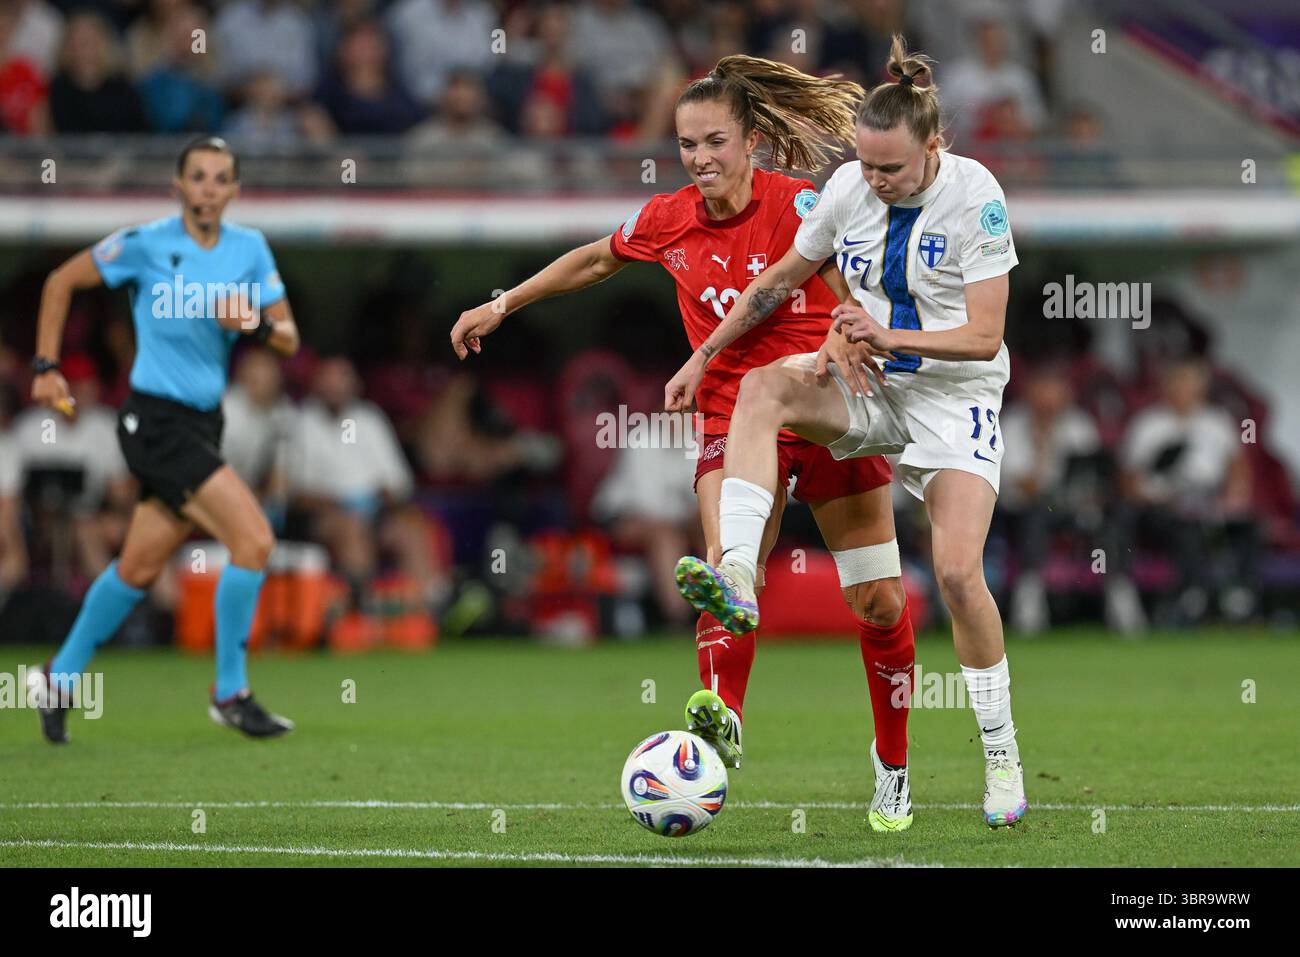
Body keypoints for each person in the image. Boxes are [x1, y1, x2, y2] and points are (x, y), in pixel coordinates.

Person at [452, 55, 920, 832]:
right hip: (736, 418)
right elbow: (598, 257)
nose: (700, 159)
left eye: (714, 142)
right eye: (686, 145)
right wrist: (504, 303)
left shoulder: (799, 205)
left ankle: (894, 764)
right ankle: (720, 714)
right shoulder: (670, 217)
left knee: (877, 600)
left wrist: (851, 330)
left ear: (752, 140)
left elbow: (850, 288)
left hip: (828, 404)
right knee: (730, 568)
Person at [665, 35, 1028, 828]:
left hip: (950, 392)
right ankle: (735, 571)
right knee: (763, 387)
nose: (874, 180)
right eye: (865, 164)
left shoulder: (978, 196)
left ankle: (999, 756)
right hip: (867, 383)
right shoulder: (846, 190)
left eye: (891, 169)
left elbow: (984, 336)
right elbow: (775, 284)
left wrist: (889, 337)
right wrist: (705, 355)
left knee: (959, 574)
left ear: (935, 148)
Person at [25, 135, 302, 743]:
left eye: (219, 177)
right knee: (253, 539)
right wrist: (46, 368)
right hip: (153, 421)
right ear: (178, 187)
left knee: (140, 565)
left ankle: (58, 676)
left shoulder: (250, 250)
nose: (208, 187)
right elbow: (59, 282)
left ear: (234, 189)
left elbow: (288, 338)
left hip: (204, 424)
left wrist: (253, 322)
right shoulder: (146, 245)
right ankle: (230, 691)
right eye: (197, 176)